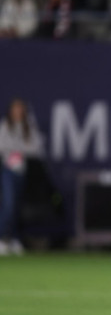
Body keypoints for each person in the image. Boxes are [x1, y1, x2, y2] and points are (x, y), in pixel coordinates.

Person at [0, 98, 43, 255]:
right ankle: (3, 238)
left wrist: (21, 150)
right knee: (8, 204)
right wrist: (15, 150)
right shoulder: (5, 126)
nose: (18, 112)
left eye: (20, 109)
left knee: (17, 206)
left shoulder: (28, 127)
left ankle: (14, 239)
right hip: (8, 170)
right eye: (15, 109)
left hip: (22, 171)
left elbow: (36, 147)